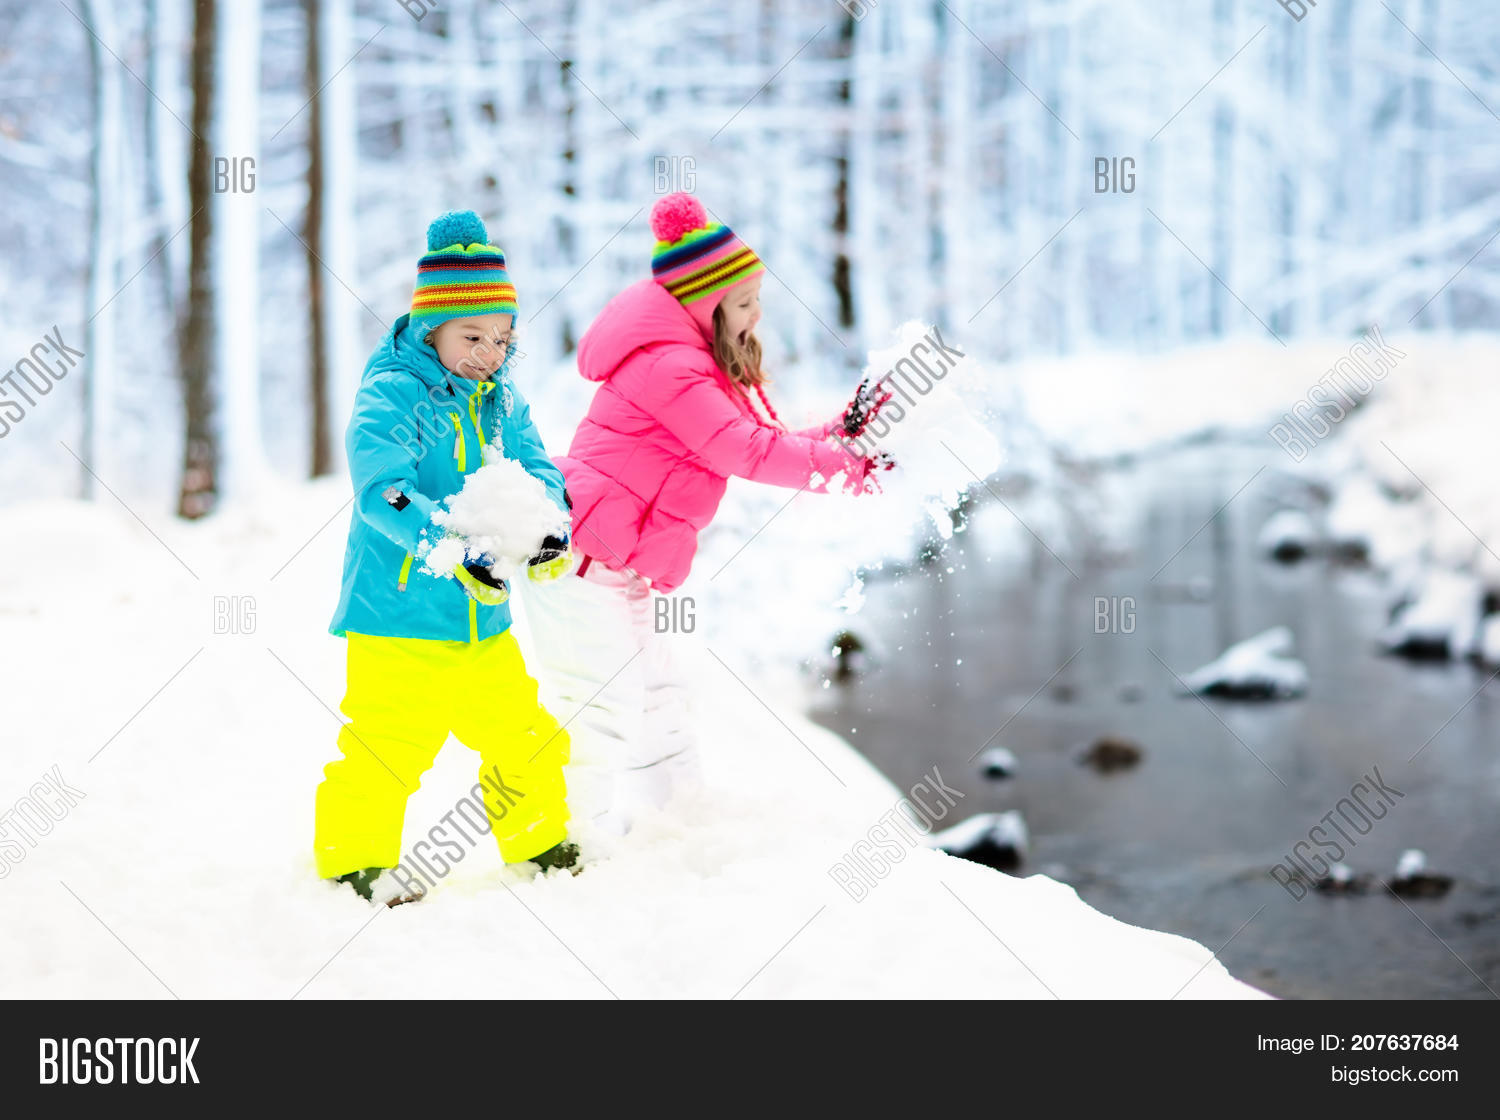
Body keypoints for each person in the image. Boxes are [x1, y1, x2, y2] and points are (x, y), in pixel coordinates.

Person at [523, 191, 891, 832]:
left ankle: (680, 826)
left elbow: (762, 436)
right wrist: (849, 475)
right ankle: (563, 843)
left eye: (756, 301)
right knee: (601, 707)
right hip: (578, 558)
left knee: (659, 698)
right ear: (704, 305)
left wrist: (844, 434)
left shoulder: (693, 362)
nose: (755, 316)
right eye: (744, 303)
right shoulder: (669, 366)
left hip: (618, 564)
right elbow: (743, 450)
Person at [316, 210, 578, 904]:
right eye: (473, 336)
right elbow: (383, 491)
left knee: (525, 735)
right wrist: (450, 548)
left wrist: (547, 525)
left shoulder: (500, 401)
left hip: (479, 623)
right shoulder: (391, 392)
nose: (490, 352)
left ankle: (541, 845)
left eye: (502, 337)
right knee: (386, 748)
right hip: (397, 616)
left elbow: (535, 467)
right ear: (431, 327)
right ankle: (353, 865)